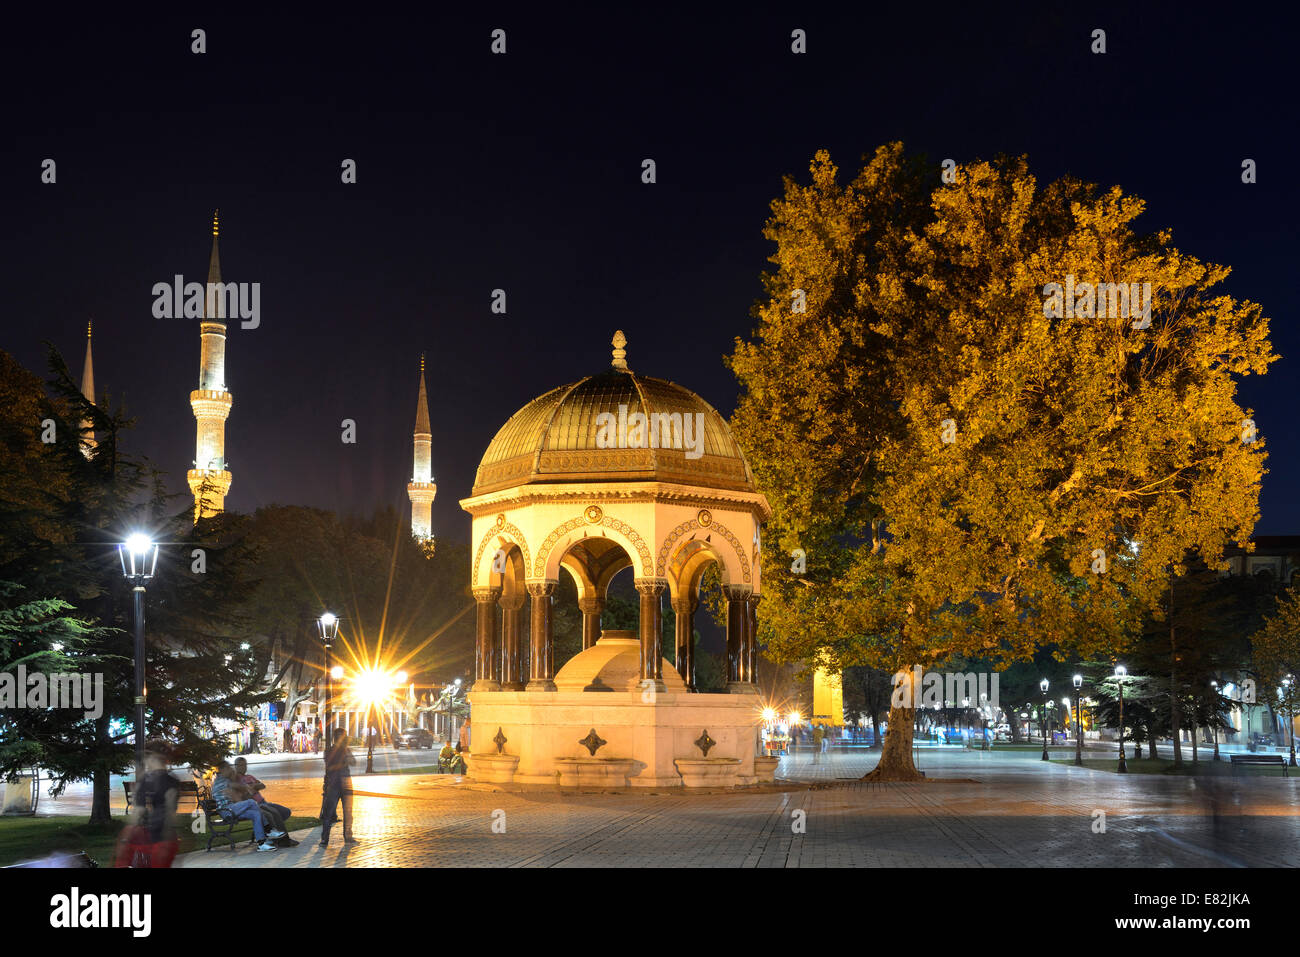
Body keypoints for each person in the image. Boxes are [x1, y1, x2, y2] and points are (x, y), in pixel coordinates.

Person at [115, 740, 181, 868]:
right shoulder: (173, 780)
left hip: (152, 838)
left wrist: (125, 838)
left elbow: (138, 813)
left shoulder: (146, 779)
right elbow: (171, 811)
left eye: (146, 758)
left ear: (152, 758)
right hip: (169, 839)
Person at [212, 761, 281, 851]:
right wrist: (248, 788)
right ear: (222, 769)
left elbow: (234, 784)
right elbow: (236, 785)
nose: (231, 769)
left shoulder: (225, 779)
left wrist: (234, 776)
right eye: (228, 768)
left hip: (232, 808)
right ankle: (268, 830)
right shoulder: (220, 779)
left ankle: (261, 843)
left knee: (255, 814)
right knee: (251, 802)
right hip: (226, 811)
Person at [233, 757, 297, 845]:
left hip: (264, 802)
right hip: (255, 805)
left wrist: (254, 787)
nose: (243, 767)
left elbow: (262, 785)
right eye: (240, 765)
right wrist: (253, 787)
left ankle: (272, 831)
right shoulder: (236, 780)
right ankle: (284, 840)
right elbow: (243, 795)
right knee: (274, 813)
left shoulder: (249, 777)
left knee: (285, 811)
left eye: (245, 765)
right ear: (235, 766)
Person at [319, 725, 358, 847]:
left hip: (346, 783)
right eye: (343, 737)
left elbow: (354, 762)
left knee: (348, 812)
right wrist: (342, 763)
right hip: (334, 785)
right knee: (328, 813)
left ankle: (348, 836)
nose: (345, 739)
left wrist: (346, 754)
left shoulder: (346, 750)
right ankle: (324, 839)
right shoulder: (329, 751)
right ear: (337, 738)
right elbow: (329, 768)